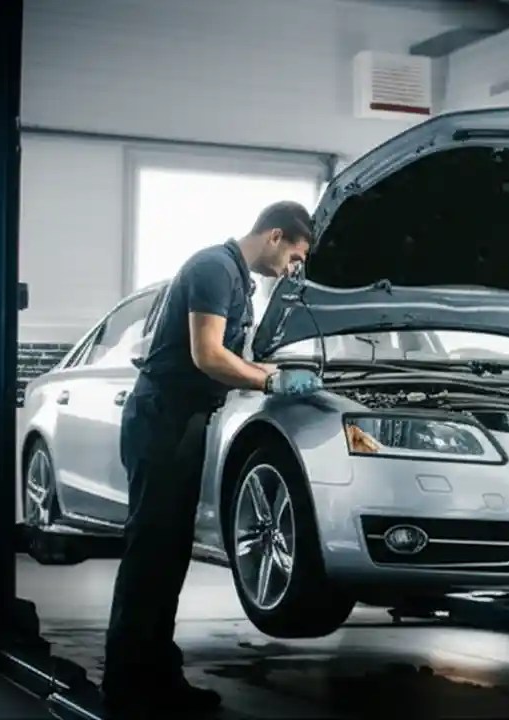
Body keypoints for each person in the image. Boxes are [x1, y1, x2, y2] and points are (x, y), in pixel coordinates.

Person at [102, 200, 325, 718]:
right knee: (150, 553)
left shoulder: (238, 280)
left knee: (170, 552)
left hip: (184, 420)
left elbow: (228, 358)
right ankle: (126, 685)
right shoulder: (212, 267)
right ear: (275, 235)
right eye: (296, 256)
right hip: (163, 419)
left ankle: (159, 674)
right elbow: (208, 354)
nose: (294, 268)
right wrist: (269, 378)